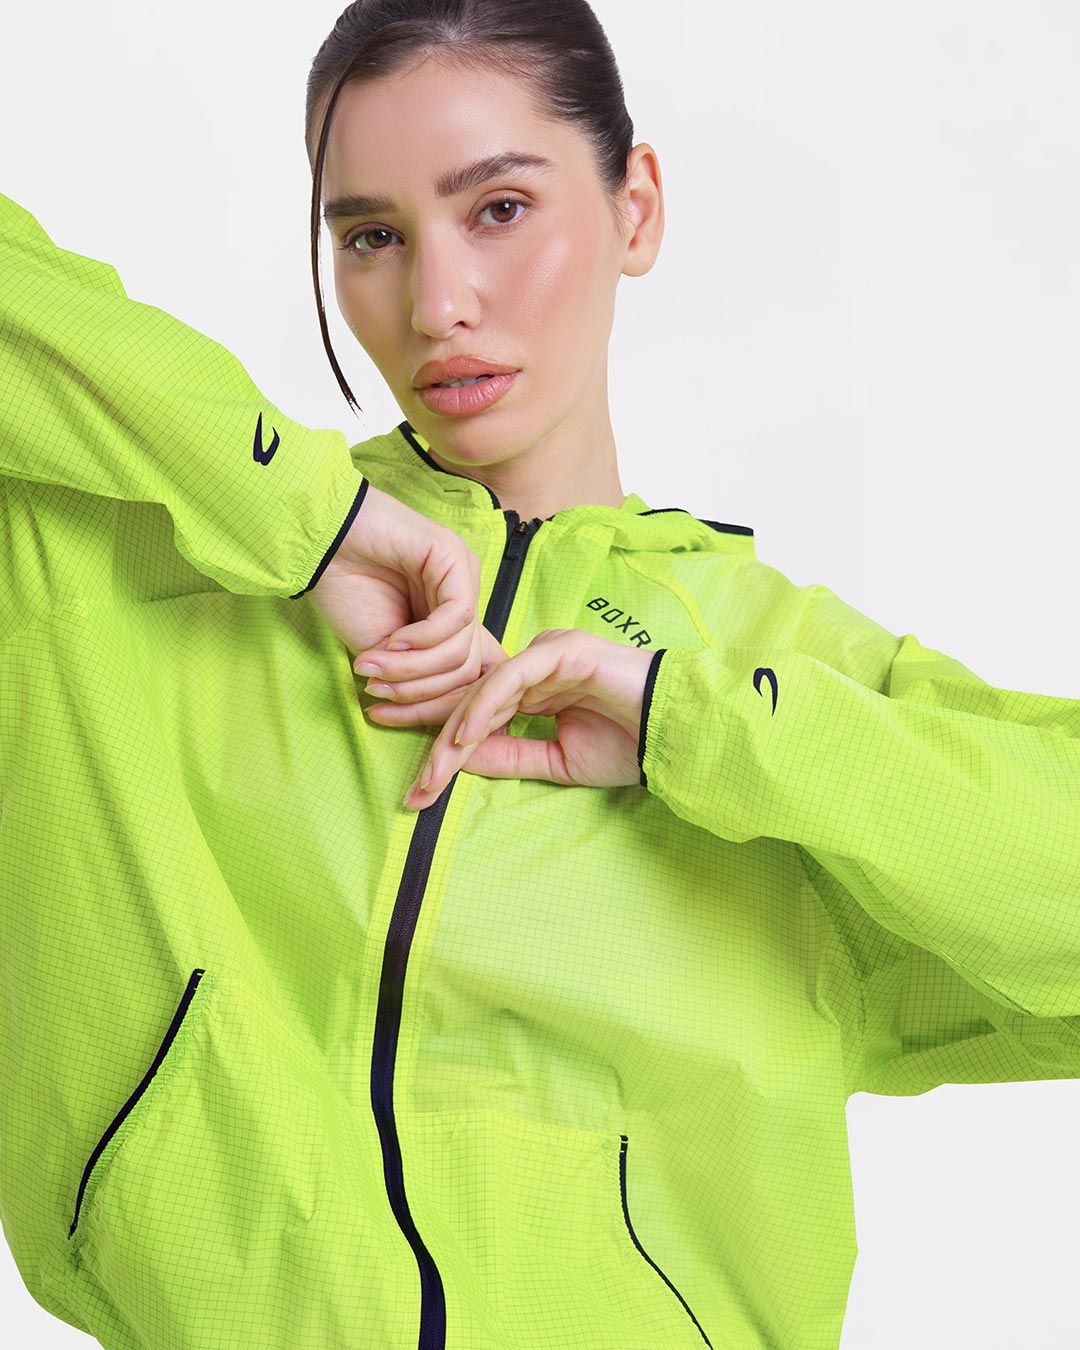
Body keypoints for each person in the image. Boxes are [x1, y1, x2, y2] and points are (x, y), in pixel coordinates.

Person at [1, 2, 1078, 1347]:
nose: (436, 303)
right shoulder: (129, 570)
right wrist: (303, 519)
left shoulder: (778, 675)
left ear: (636, 210)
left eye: (499, 210)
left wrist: (690, 724)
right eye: (371, 235)